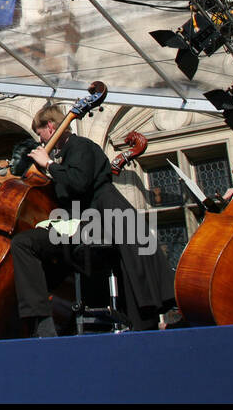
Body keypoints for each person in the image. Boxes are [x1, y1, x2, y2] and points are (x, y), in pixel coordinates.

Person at [9, 104, 175, 336]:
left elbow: (79, 182)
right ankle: (51, 319)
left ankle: (45, 323)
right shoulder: (64, 156)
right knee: (29, 245)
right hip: (83, 222)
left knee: (24, 244)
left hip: (102, 219)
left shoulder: (81, 146)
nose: (40, 140)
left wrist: (49, 164)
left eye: (40, 133)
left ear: (51, 126)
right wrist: (9, 211)